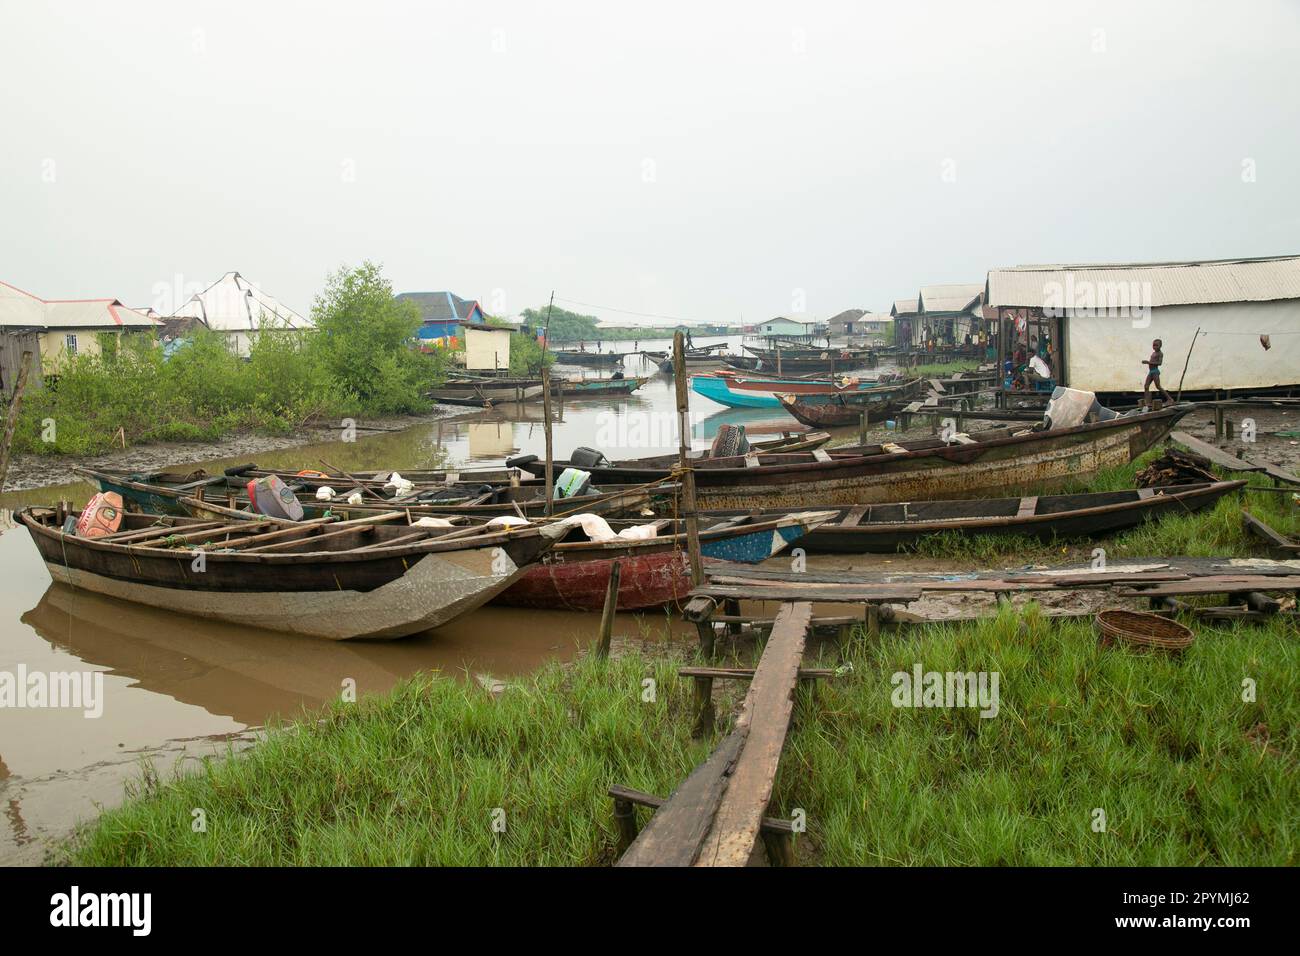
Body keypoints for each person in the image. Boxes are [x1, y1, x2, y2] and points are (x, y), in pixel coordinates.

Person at [1142, 338, 1173, 406]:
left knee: (1158, 386)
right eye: (1153, 345)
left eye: (1156, 345)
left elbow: (1159, 363)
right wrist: (1148, 362)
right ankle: (1147, 402)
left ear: (1160, 346)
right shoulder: (1153, 353)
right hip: (1151, 371)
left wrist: (1148, 362)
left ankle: (1170, 399)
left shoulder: (1160, 353)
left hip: (1155, 371)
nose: (1154, 347)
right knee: (1146, 386)